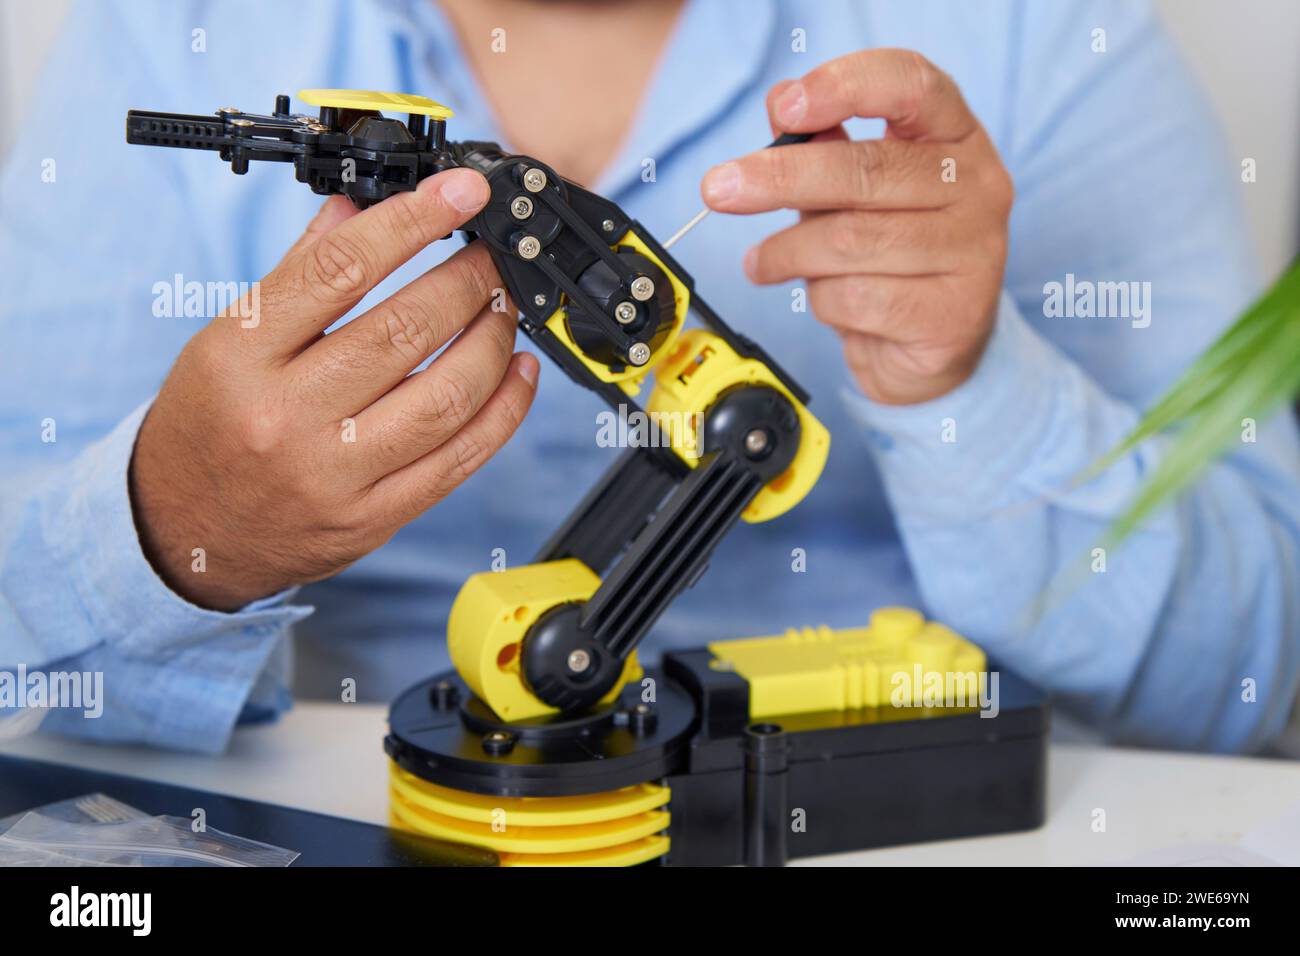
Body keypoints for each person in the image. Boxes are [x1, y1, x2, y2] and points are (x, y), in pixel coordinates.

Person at [1, 0, 1297, 755]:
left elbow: (1250, 679)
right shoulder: (167, 32)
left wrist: (964, 385)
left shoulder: (1032, 32)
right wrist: (171, 529)